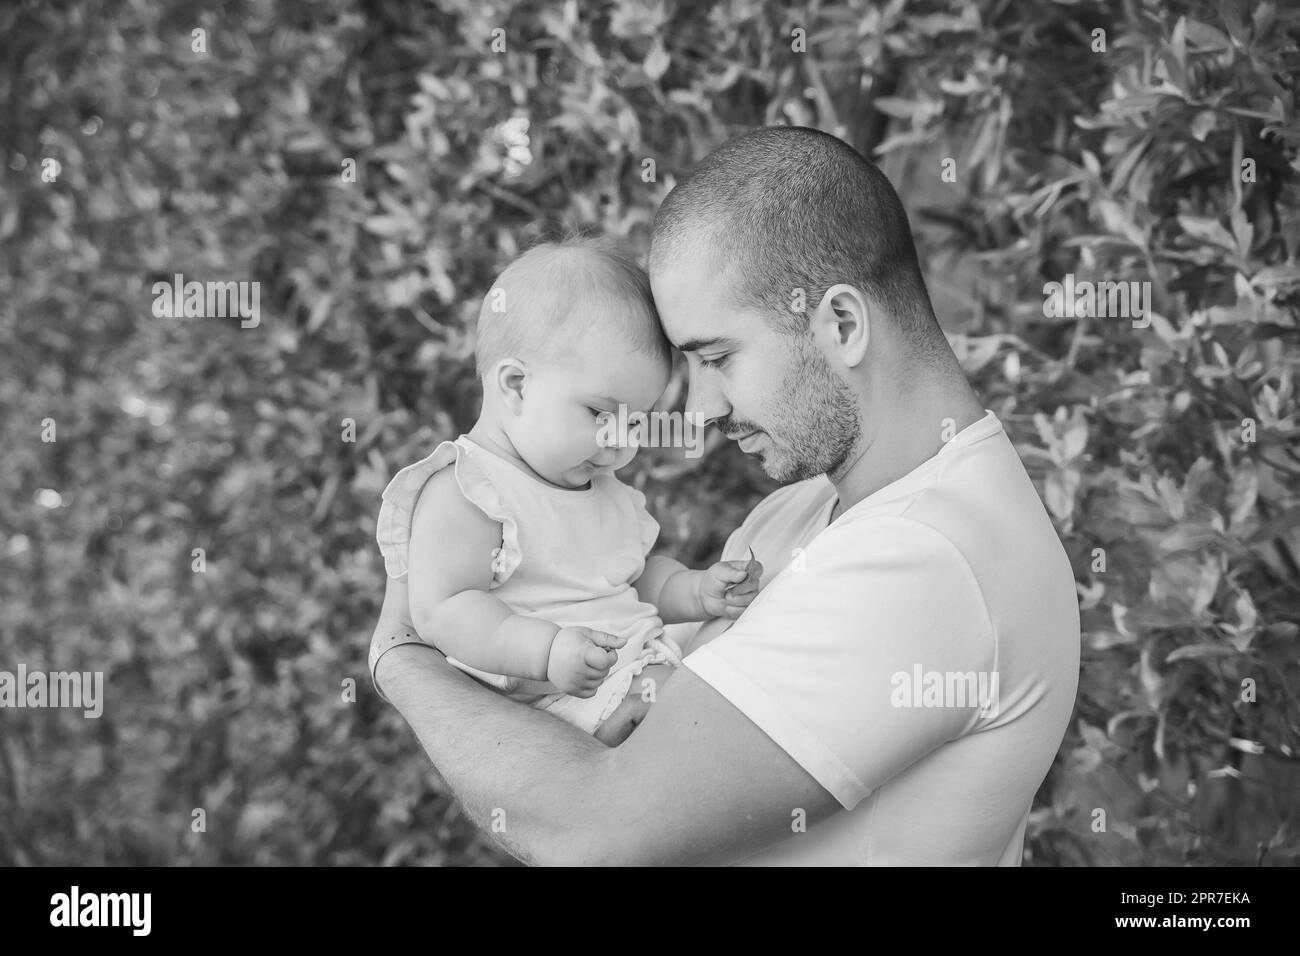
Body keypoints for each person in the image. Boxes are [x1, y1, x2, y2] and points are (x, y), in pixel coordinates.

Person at [368, 126, 1081, 865]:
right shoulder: (796, 515)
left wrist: (403, 657)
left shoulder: (928, 557)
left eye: (718, 357)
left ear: (840, 323)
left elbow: (592, 828)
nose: (700, 409)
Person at [372, 238, 761, 739]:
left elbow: (632, 583)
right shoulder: (469, 490)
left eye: (636, 422)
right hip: (560, 708)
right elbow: (442, 610)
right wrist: (546, 650)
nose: (621, 443)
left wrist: (696, 592)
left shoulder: (602, 488)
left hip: (641, 672)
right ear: (516, 386)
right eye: (601, 414)